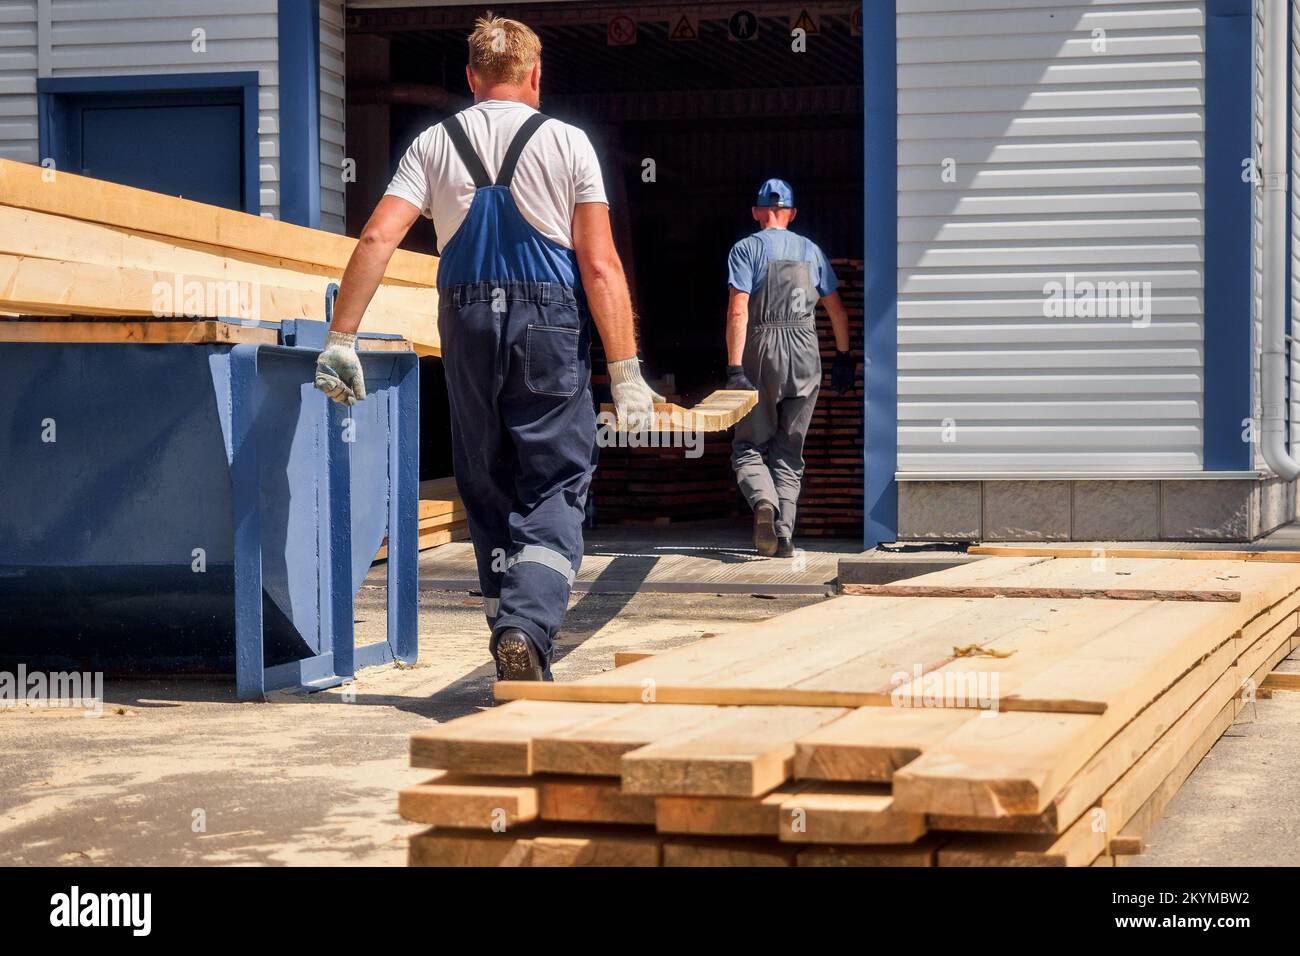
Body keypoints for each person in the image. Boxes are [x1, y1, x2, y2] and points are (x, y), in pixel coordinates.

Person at [313, 14, 661, 682]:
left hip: (467, 322)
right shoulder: (569, 143)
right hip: (548, 323)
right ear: (535, 75)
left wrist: (341, 339)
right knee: (557, 477)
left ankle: (510, 624)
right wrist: (626, 372)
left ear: (471, 78)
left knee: (486, 480)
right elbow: (600, 267)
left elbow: (378, 240)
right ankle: (525, 626)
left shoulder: (433, 143)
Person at [725, 178, 853, 558]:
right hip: (805, 350)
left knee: (748, 445)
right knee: (789, 449)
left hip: (761, 347)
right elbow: (837, 310)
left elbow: (737, 308)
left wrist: (735, 367)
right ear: (792, 213)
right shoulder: (812, 251)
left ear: (756, 212)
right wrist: (844, 358)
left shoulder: (746, 249)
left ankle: (763, 501)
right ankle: (784, 534)